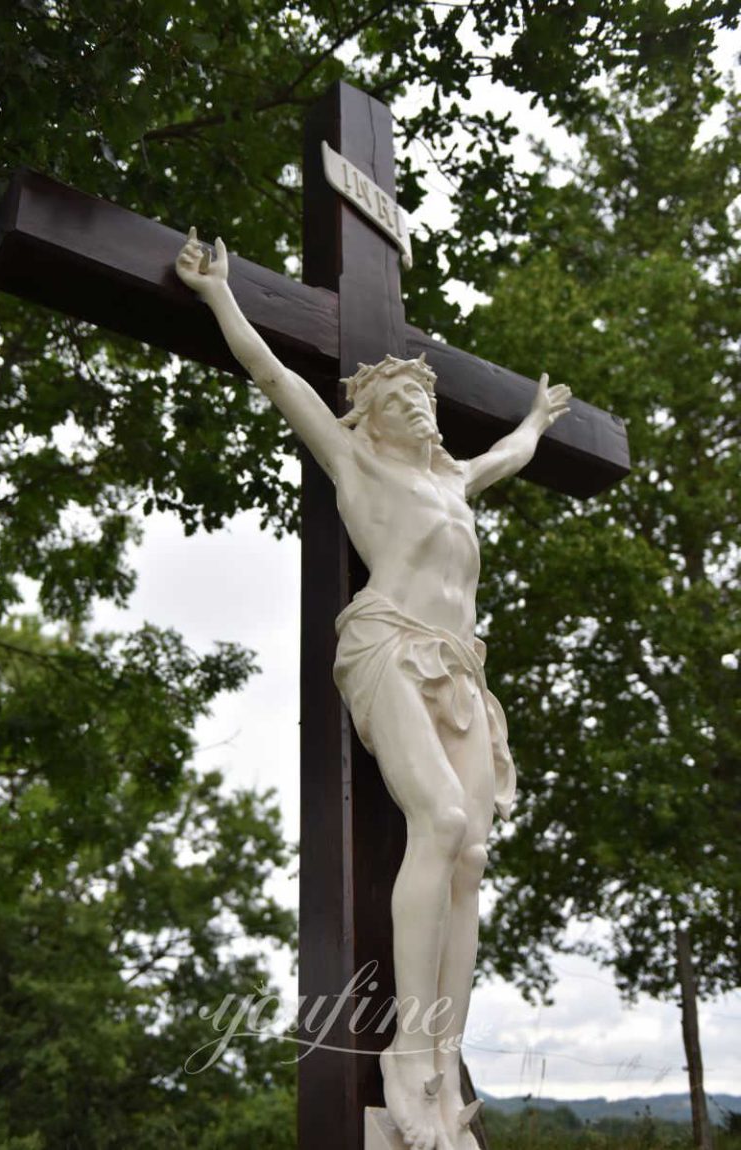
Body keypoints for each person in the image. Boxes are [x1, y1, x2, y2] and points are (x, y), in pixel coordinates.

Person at [176, 231, 571, 1150]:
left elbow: (506, 456)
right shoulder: (359, 463)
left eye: (424, 399)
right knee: (436, 819)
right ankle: (398, 1057)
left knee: (471, 853)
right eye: (402, 399)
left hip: (460, 667)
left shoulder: (456, 482)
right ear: (375, 419)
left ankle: (439, 1058)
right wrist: (221, 297)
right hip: (387, 644)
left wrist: (540, 421)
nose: (421, 412)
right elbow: (278, 379)